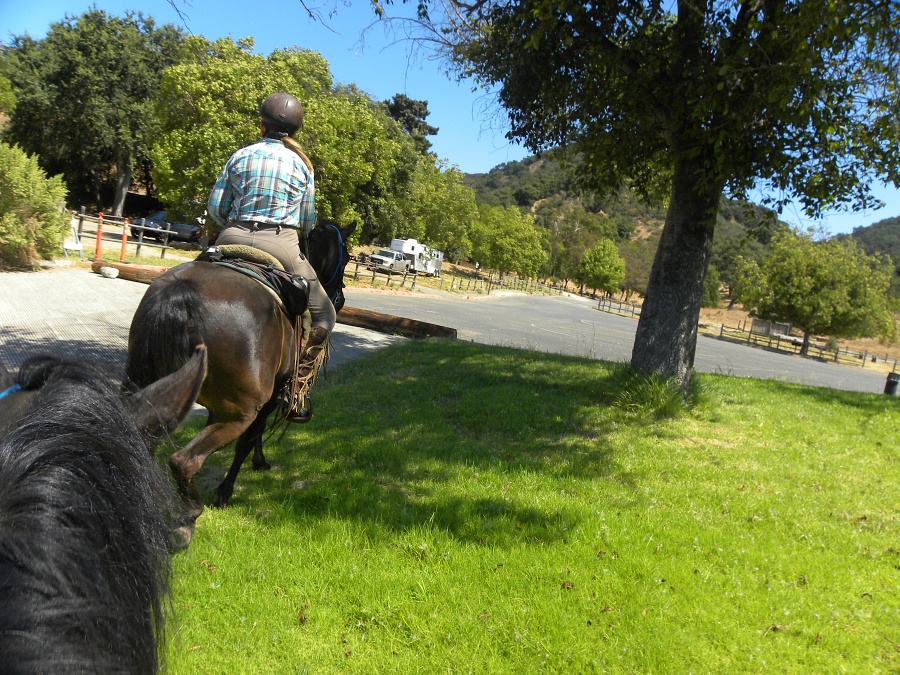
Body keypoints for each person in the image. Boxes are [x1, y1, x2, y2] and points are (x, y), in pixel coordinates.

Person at [207, 92, 335, 422]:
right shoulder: (302, 166)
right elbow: (306, 221)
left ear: (261, 125)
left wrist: (238, 221)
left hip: (231, 237)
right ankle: (295, 391)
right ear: (294, 131)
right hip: (281, 246)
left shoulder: (240, 156)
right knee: (324, 316)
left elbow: (217, 208)